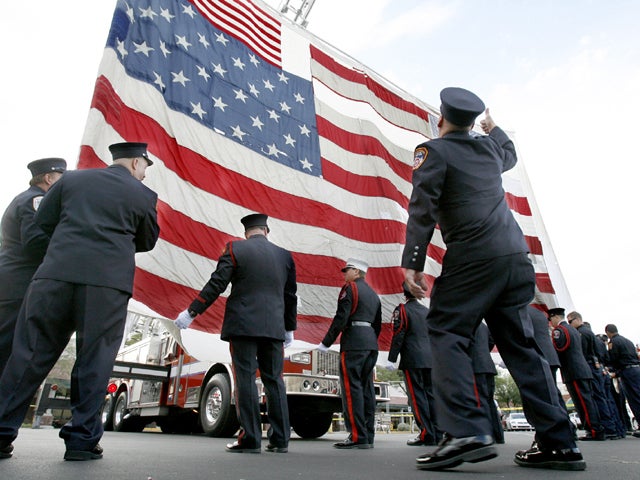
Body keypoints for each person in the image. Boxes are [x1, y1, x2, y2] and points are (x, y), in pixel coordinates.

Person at [402, 87, 583, 471]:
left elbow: (423, 207)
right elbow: (510, 153)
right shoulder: (488, 149)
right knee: (520, 347)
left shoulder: (434, 151)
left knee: (446, 330)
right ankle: (559, 442)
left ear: (441, 118)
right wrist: (494, 127)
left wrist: (413, 260)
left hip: (474, 254)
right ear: (473, 121)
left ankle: (465, 429)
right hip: (516, 258)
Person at [0, 142, 159, 461]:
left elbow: (44, 222)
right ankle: (81, 441)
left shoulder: (71, 181)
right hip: (106, 285)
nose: (144, 172)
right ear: (133, 163)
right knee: (94, 359)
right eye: (144, 166)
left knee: (29, 354)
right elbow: (147, 240)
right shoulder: (143, 195)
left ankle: (2, 431)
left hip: (54, 277)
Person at [175, 213, 297, 454]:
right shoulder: (285, 256)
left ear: (246, 233)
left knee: (245, 379)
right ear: (266, 231)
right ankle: (280, 439)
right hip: (273, 328)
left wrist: (191, 312)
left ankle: (250, 439)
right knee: (275, 381)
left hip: (243, 326)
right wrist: (289, 327)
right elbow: (290, 295)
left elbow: (216, 284)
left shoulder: (235, 249)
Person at [0, 157, 66, 376]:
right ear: (48, 178)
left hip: (11, 281)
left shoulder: (25, 198)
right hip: (19, 284)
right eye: (60, 178)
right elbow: (35, 242)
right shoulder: (38, 199)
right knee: (7, 349)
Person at [317, 258, 381, 449]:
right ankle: (368, 435)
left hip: (354, 343)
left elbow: (341, 317)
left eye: (347, 270)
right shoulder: (373, 294)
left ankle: (356, 436)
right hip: (370, 343)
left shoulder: (350, 289)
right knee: (367, 390)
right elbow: (377, 324)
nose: (344, 274)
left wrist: (326, 342)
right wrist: (369, 339)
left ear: (356, 271)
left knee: (351, 389)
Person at [386, 284, 440, 447]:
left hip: (413, 358)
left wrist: (392, 358)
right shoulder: (427, 311)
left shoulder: (402, 309)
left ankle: (426, 433)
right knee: (431, 396)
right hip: (430, 359)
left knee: (417, 397)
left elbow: (399, 332)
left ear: (404, 294)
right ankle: (437, 432)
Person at [549, 308, 605, 441]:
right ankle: (595, 428)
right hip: (582, 369)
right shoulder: (574, 329)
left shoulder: (559, 331)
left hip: (572, 370)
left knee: (583, 403)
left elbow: (559, 349)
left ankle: (593, 430)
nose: (551, 322)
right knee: (588, 400)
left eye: (551, 319)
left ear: (556, 317)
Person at [568, 312, 620, 439]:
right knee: (603, 398)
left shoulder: (582, 333)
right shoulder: (588, 333)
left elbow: (582, 353)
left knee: (597, 398)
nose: (569, 325)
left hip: (590, 366)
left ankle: (607, 428)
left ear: (578, 319)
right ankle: (612, 429)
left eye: (570, 321)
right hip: (597, 367)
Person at [470, 321, 504, 444]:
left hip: (475, 366)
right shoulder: (484, 325)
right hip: (487, 366)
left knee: (480, 401)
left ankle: (484, 435)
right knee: (489, 401)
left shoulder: (466, 322)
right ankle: (498, 435)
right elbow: (491, 341)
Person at [605, 324, 640, 437]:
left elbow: (613, 359)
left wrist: (613, 371)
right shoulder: (628, 341)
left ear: (608, 333)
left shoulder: (613, 343)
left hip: (627, 372)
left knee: (634, 400)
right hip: (636, 369)